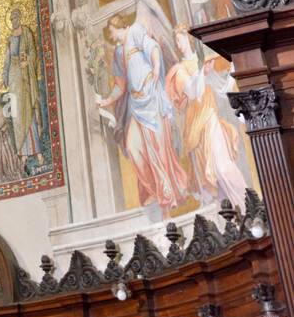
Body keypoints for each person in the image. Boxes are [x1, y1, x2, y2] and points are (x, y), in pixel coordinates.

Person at [98, 16, 189, 213]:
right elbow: (120, 85)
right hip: (136, 106)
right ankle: (155, 191)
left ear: (117, 27)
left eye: (111, 32)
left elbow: (153, 48)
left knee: (157, 150)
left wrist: (156, 68)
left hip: (151, 100)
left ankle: (167, 196)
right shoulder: (119, 52)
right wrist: (106, 101)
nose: (111, 36)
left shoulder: (136, 31)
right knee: (133, 148)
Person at [166, 29, 247, 211]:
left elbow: (220, 86)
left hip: (209, 117)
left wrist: (229, 69)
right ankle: (231, 217)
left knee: (222, 167)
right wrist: (202, 73)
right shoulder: (178, 71)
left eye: (180, 39)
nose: (179, 45)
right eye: (176, 41)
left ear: (188, 39)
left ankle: (247, 205)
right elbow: (193, 92)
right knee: (210, 178)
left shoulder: (204, 60)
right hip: (194, 125)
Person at [3, 7, 44, 169]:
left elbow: (33, 51)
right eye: (11, 18)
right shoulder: (9, 38)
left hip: (26, 75)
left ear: (20, 18)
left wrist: (28, 61)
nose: (14, 20)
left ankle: (37, 151)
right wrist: (5, 77)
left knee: (29, 112)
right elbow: (7, 59)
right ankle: (23, 152)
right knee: (17, 114)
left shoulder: (26, 32)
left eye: (16, 17)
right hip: (14, 77)